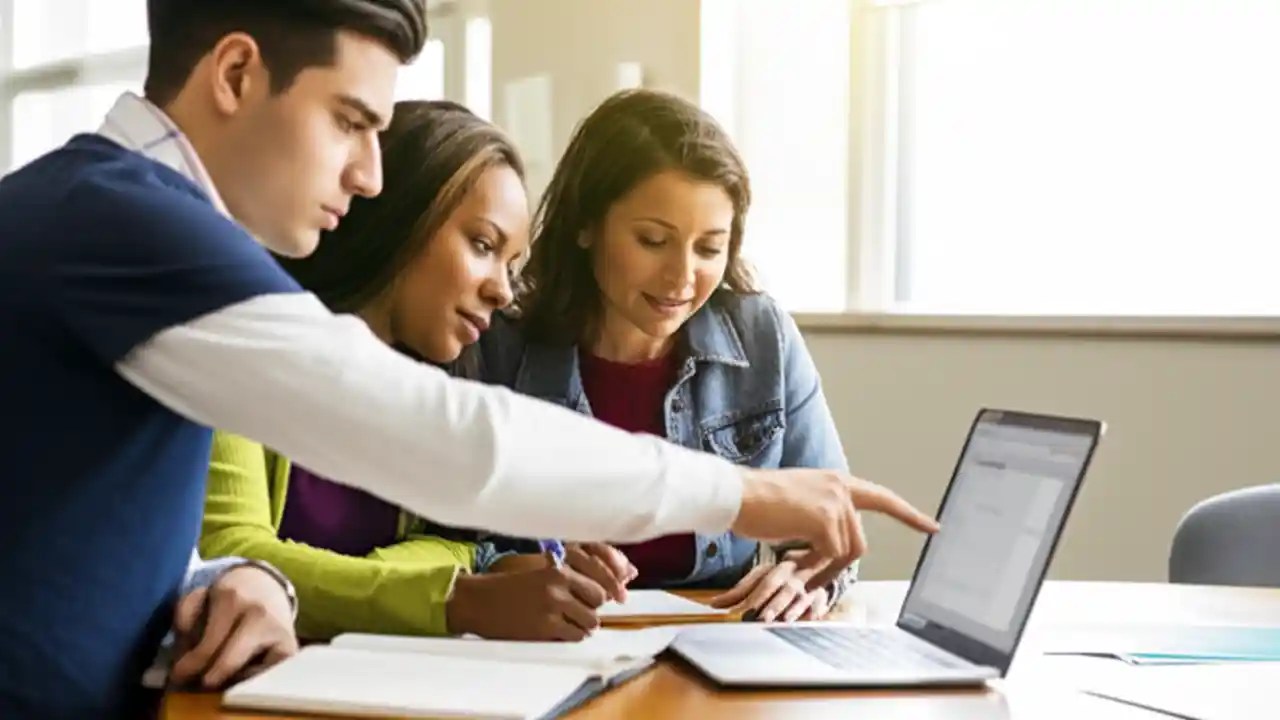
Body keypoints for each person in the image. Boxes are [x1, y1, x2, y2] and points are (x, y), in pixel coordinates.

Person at [0, 1, 935, 716]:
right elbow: (448, 443)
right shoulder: (133, 228)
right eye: (349, 121)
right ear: (237, 73)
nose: (369, 174)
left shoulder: (102, 215)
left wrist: (229, 579)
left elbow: (70, 526)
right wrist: (749, 495)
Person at [201, 100, 608, 643]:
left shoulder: (443, 372)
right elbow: (234, 555)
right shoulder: (243, 336)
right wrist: (453, 601)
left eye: (510, 264)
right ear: (401, 216)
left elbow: (457, 542)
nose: (502, 290)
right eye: (482, 245)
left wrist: (381, 588)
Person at [482, 89, 856, 623]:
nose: (682, 278)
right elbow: (444, 545)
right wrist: (515, 569)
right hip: (551, 646)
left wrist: (808, 577)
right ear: (586, 225)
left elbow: (831, 526)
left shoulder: (763, 335)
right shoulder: (499, 341)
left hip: (721, 639)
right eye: (653, 241)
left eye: (709, 248)